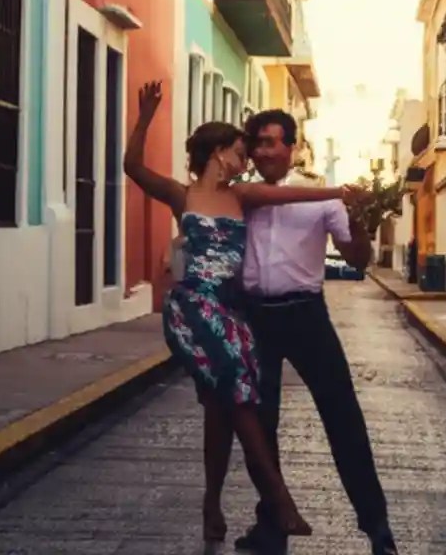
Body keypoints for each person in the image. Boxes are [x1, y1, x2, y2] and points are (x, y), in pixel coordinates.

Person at [123, 81, 365, 546]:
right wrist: (146, 115)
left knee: (220, 408)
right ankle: (281, 500)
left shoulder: (244, 195)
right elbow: (132, 167)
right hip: (194, 307)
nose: (246, 159)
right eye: (239, 151)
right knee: (238, 387)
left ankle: (212, 501)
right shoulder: (182, 195)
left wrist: (341, 192)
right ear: (217, 154)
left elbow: (293, 197)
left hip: (231, 310)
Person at [234, 109, 400, 555]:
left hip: (306, 316)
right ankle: (271, 530)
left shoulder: (321, 199)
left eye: (274, 142)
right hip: (254, 319)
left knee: (343, 420)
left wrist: (360, 218)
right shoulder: (240, 195)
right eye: (259, 142)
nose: (265, 150)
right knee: (259, 427)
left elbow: (358, 259)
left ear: (292, 147)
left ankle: (377, 529)